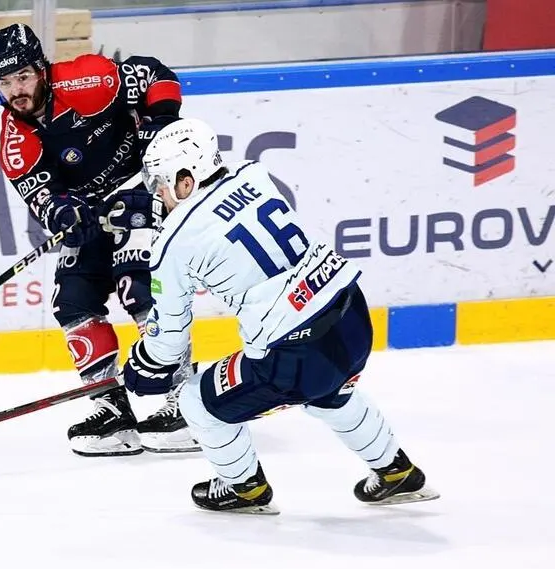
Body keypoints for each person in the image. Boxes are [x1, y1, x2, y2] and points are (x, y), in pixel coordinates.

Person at [122, 118, 440, 514]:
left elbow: (169, 339)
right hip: (351, 315)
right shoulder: (254, 175)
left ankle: (244, 489)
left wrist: (144, 364)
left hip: (293, 354)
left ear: (186, 179)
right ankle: (395, 471)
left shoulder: (172, 244)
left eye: (162, 185)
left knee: (196, 400)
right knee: (330, 393)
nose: (159, 197)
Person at [0, 23, 199, 457]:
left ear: (41, 71)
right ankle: (110, 406)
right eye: (4, 83)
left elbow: (158, 75)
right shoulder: (14, 138)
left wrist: (157, 125)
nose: (16, 91)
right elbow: (42, 197)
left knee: (137, 284)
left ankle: (187, 398)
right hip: (95, 208)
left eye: (22, 77)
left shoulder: (87, 79)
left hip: (143, 185)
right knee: (72, 299)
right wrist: (64, 212)